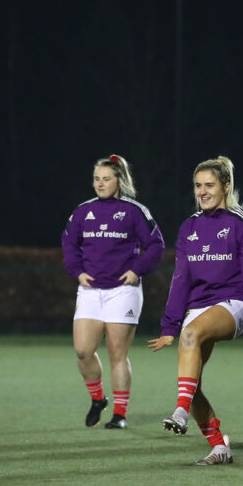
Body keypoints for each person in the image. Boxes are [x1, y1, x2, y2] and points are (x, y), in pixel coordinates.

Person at [147, 156, 243, 466]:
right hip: (198, 307)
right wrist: (168, 327)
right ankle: (219, 446)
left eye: (209, 185)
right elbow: (181, 281)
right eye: (197, 186)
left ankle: (179, 411)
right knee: (192, 385)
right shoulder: (189, 227)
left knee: (191, 336)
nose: (202, 191)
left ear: (226, 186)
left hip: (234, 303)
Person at [62, 154, 165, 429]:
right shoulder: (83, 211)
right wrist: (77, 272)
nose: (100, 183)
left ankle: (120, 414)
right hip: (90, 291)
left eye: (106, 178)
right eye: (96, 179)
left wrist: (137, 270)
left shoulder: (134, 211)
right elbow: (69, 244)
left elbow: (156, 245)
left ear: (119, 180)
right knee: (83, 351)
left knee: (116, 353)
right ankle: (98, 399)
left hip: (123, 291)